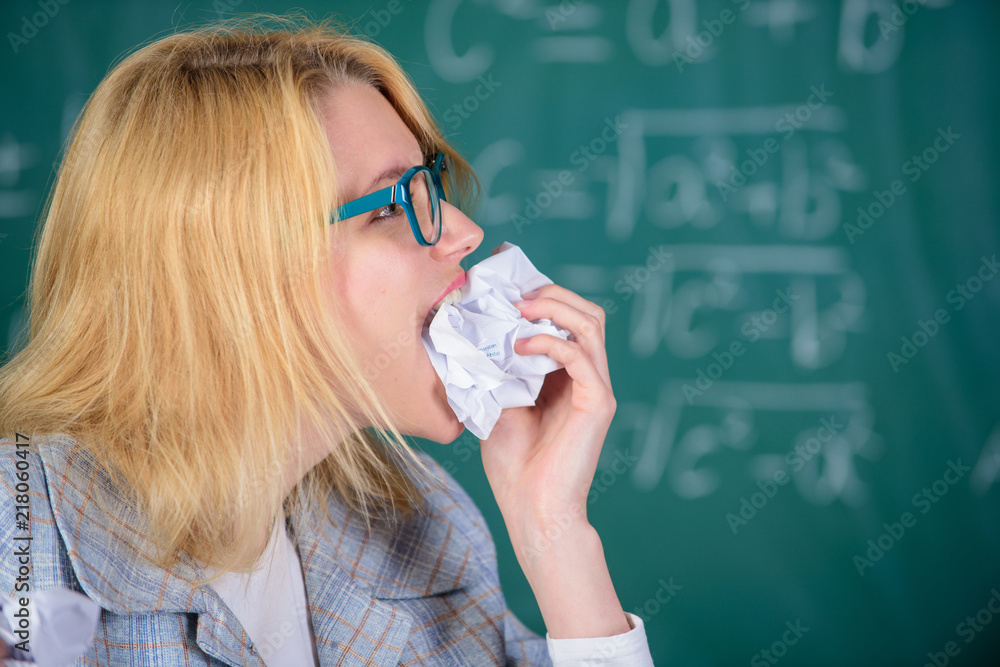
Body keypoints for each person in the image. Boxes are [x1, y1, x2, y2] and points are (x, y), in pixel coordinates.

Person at [0, 15, 654, 666]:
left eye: (427, 187)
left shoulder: (422, 525)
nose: (464, 231)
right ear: (235, 271)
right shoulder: (18, 538)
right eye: (390, 207)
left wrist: (555, 533)